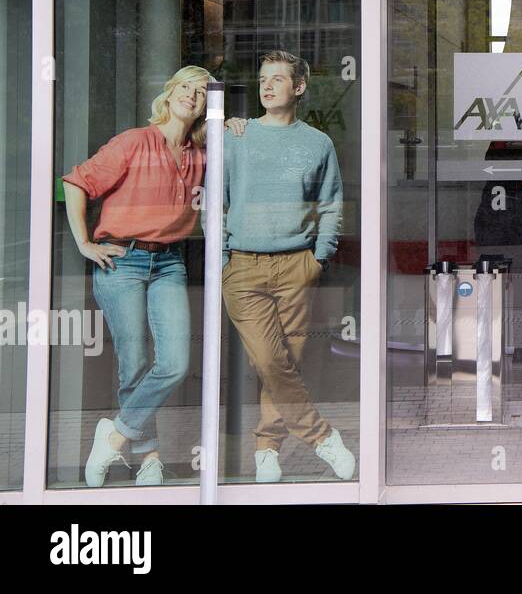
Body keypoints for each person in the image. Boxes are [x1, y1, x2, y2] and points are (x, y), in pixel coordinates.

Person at [65, 65, 213, 487]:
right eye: (186, 86)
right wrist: (83, 243)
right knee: (134, 365)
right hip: (122, 261)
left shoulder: (200, 155)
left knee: (174, 364)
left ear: (207, 106)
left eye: (201, 92)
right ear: (168, 95)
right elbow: (78, 183)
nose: (192, 94)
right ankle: (148, 455)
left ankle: (112, 437)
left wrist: (235, 123)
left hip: (168, 262)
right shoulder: (134, 141)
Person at [223, 50, 354, 483]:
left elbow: (331, 203)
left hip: (297, 264)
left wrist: (319, 256)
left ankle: (267, 447)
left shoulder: (318, 142)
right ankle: (320, 437)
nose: (266, 86)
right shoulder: (236, 136)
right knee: (270, 358)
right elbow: (212, 198)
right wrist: (224, 255)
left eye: (277, 79)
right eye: (263, 78)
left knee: (284, 363)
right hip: (243, 267)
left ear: (298, 87)